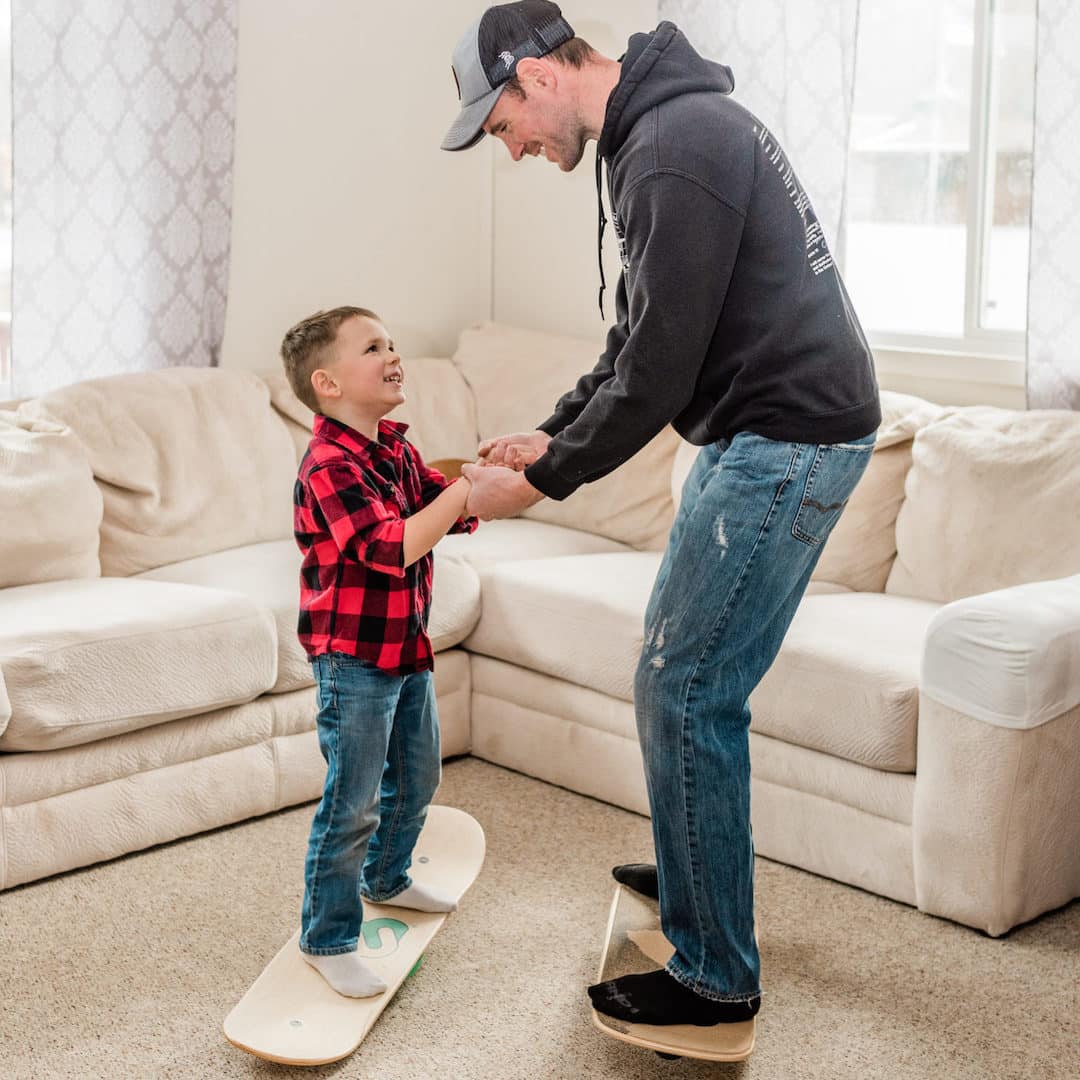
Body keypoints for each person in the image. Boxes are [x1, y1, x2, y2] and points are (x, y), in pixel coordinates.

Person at [442, 2, 881, 1028]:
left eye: (503, 126)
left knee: (686, 687)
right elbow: (635, 336)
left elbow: (660, 371)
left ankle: (714, 972)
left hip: (789, 438)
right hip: (762, 430)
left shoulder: (675, 145)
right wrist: (552, 433)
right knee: (679, 672)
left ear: (538, 76)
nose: (513, 149)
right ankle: (697, 876)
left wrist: (542, 484)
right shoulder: (654, 135)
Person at [280, 306, 477, 997]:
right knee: (352, 802)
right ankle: (327, 936)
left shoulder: (393, 447)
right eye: (373, 347)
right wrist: (462, 493)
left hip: (403, 645)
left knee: (419, 776)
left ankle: (386, 878)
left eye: (392, 343)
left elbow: (448, 509)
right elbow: (391, 547)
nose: (394, 355)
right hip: (353, 658)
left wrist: (486, 477)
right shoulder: (329, 465)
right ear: (329, 384)